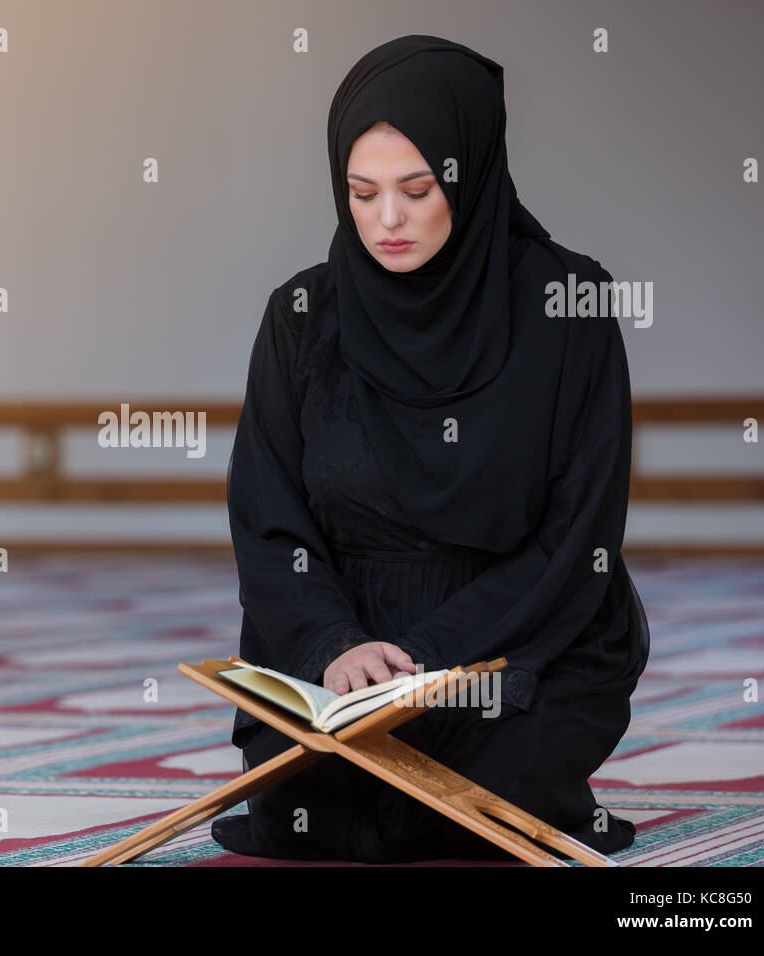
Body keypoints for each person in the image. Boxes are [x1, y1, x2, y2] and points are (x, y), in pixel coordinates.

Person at [211, 35, 651, 864]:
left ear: (472, 177)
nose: (386, 221)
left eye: (417, 190)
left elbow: (578, 535)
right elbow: (267, 517)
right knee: (308, 807)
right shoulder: (302, 314)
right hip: (345, 656)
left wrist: (434, 659)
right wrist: (333, 647)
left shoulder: (569, 306)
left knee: (487, 809)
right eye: (361, 191)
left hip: (518, 638)